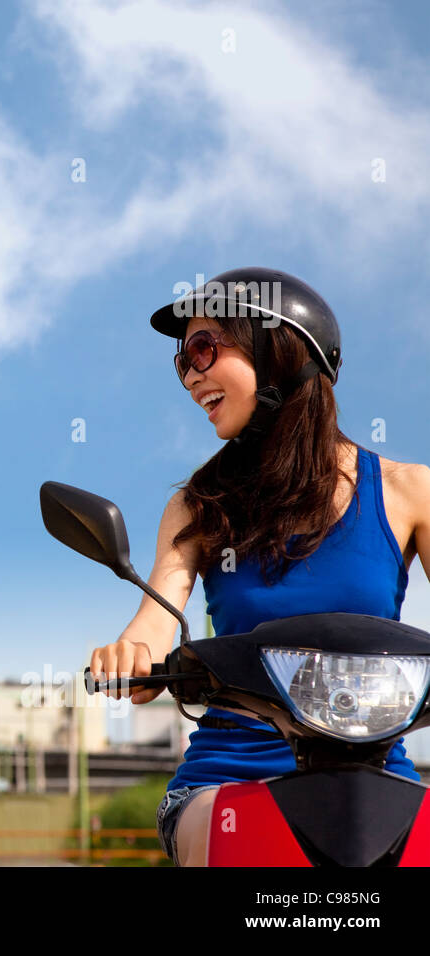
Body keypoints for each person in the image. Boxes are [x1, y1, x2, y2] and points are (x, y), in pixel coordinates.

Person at [88, 267, 430, 866]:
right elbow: (153, 622)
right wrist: (131, 656)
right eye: (183, 362)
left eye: (203, 349)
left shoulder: (408, 492)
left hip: (375, 779)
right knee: (238, 839)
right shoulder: (197, 504)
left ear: (280, 352)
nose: (192, 376)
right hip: (226, 780)